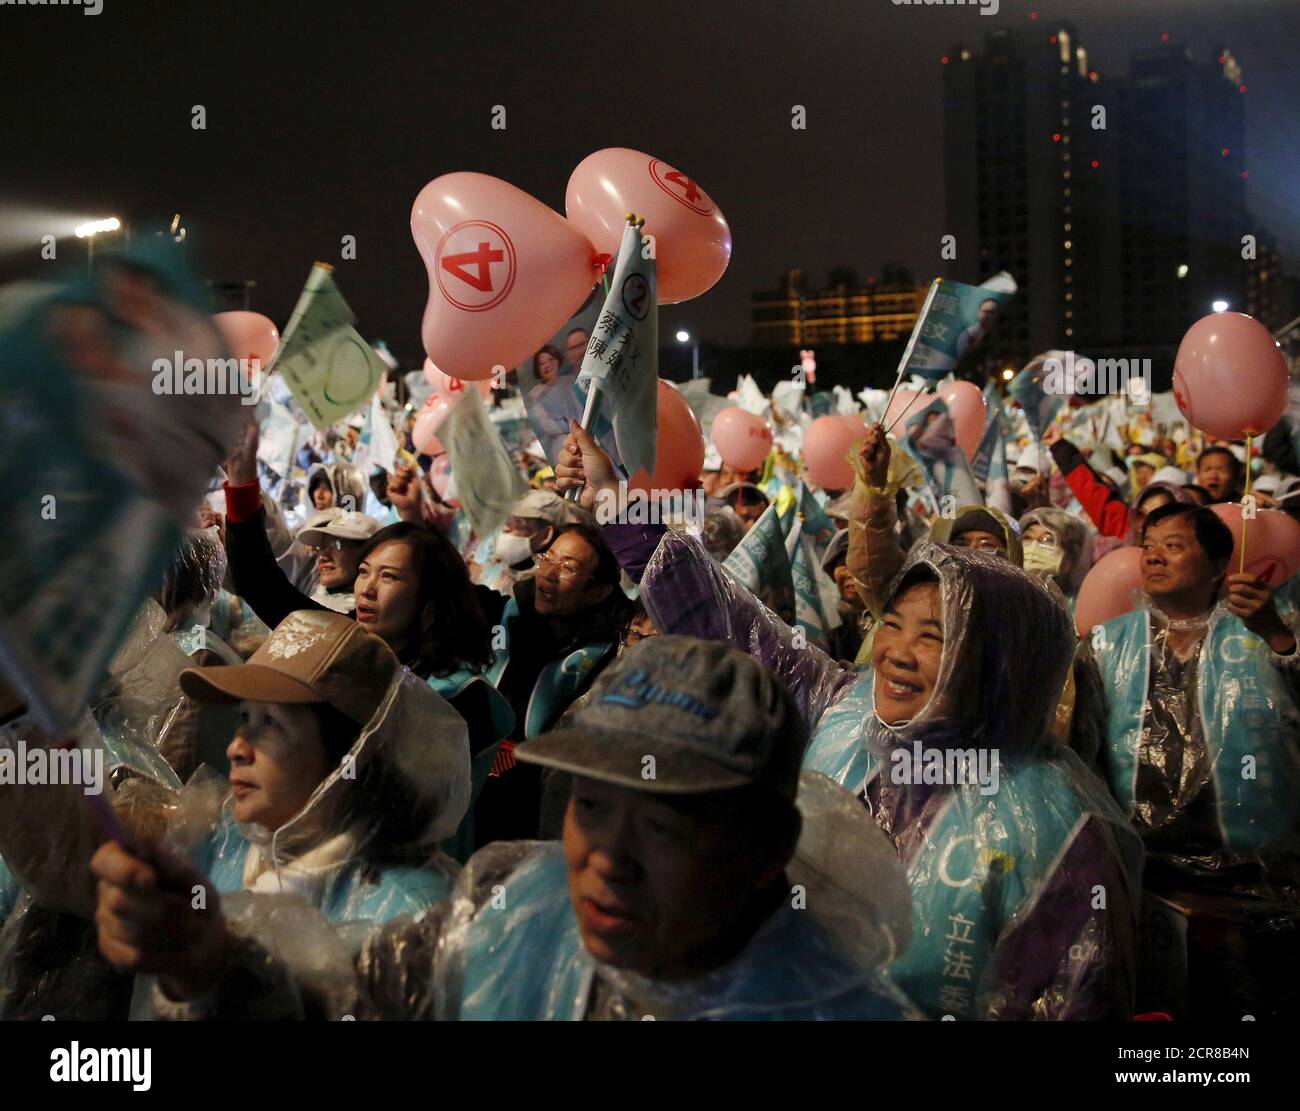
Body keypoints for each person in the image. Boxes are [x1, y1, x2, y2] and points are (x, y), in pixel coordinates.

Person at [555, 425, 1143, 1019]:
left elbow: (1077, 999)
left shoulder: (1056, 829)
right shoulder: (843, 710)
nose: (897, 652)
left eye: (935, 636)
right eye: (893, 623)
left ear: (1001, 660)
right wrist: (614, 500)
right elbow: (719, 617)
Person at [91, 637, 918, 1021]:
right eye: (591, 807)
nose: (606, 862)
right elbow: (340, 999)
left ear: (764, 849)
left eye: (663, 825)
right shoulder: (512, 911)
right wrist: (212, 961)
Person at [1, 610, 470, 1017]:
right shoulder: (224, 841)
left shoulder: (410, 913)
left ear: (353, 755)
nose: (236, 748)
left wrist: (212, 963)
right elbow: (76, 859)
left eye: (272, 725)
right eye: (244, 718)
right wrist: (17, 714)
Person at [1083, 502, 1300, 1016]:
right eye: (1149, 545)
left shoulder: (1265, 635)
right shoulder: (1108, 643)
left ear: (1219, 565)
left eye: (1174, 546)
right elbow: (1080, 747)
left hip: (1250, 881)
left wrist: (1278, 637)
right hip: (1143, 875)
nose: (1154, 557)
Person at [473, 520, 630, 844]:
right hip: (469, 785)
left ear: (598, 591)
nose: (548, 573)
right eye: (548, 558)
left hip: (532, 814)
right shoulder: (503, 614)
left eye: (568, 567)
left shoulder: (609, 656)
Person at [296, 507, 381, 614]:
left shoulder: (370, 619)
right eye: (319, 547)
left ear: (368, 553)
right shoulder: (318, 595)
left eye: (335, 545)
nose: (322, 556)